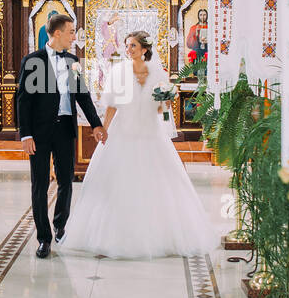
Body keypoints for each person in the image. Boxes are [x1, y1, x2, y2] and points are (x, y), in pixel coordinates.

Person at [57, 31, 213, 259]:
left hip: (150, 133)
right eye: (127, 46)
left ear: (144, 50)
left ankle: (157, 235)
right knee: (119, 182)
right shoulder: (119, 72)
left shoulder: (158, 73)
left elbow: (160, 111)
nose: (127, 50)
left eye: (132, 46)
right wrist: (104, 129)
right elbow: (111, 105)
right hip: (123, 132)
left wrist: (167, 100)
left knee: (157, 184)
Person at [15, 13, 107, 258]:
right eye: (71, 32)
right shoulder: (32, 60)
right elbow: (23, 101)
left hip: (65, 129)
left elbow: (83, 96)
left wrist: (96, 125)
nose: (74, 36)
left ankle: (60, 226)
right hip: (40, 132)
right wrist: (26, 135)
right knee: (40, 185)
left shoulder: (73, 61)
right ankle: (43, 238)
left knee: (66, 181)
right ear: (57, 33)